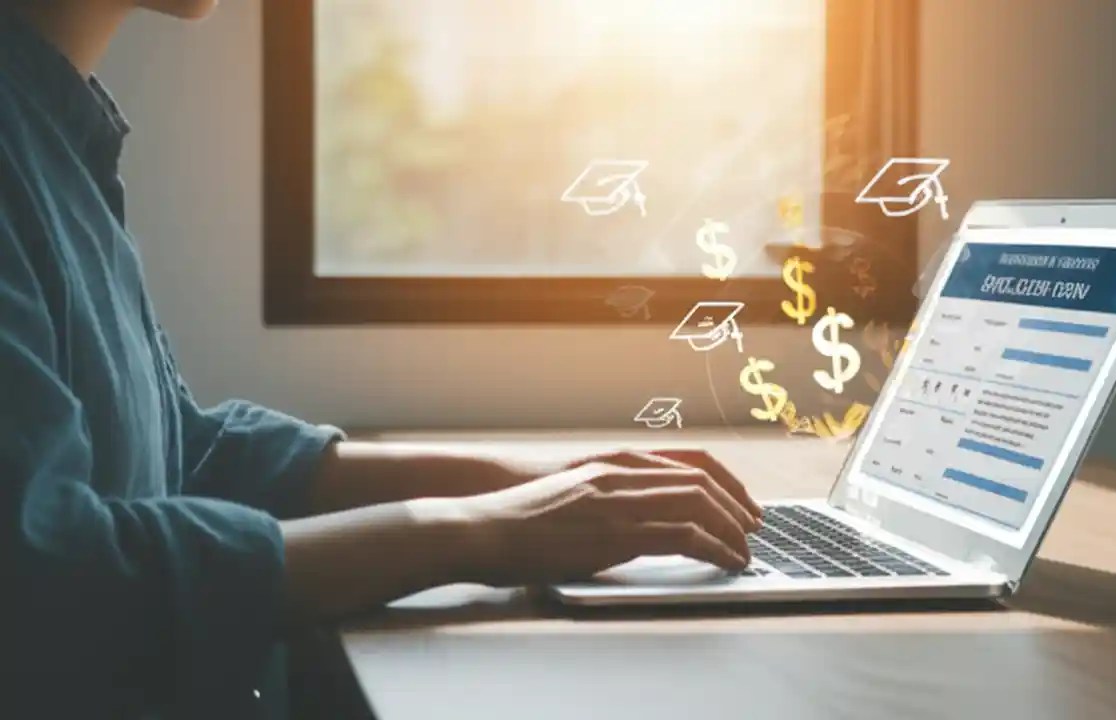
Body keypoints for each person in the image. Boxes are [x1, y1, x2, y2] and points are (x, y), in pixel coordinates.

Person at [0, 1, 762, 716]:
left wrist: (546, 484)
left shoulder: (51, 129)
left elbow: (187, 457)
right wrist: (477, 532)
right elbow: (57, 578)